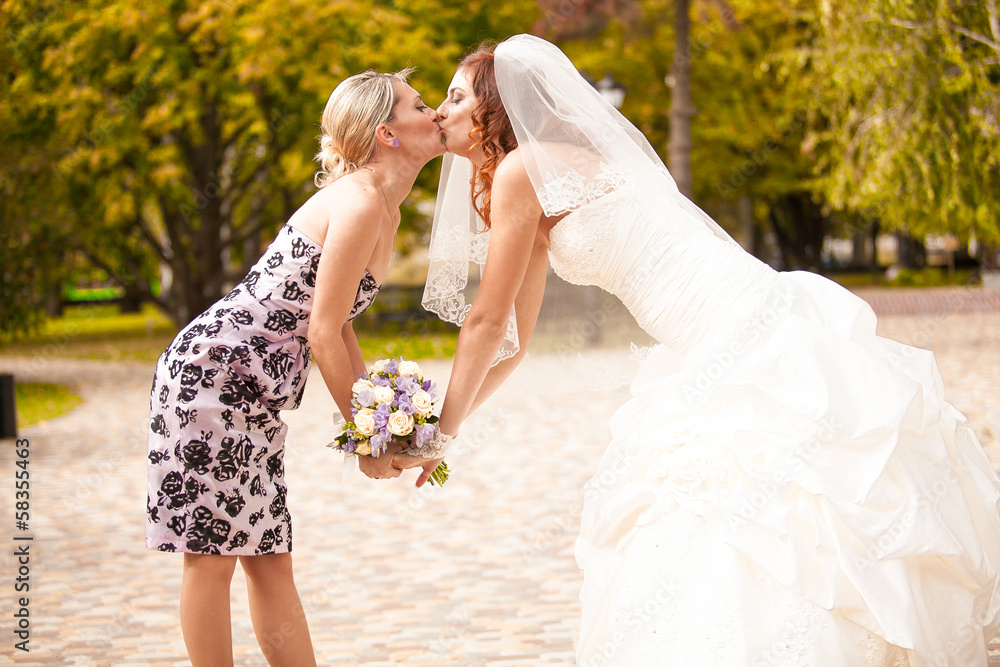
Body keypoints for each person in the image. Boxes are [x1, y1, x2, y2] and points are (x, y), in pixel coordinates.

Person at [402, 35, 1000, 664]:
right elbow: (510, 343)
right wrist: (449, 427)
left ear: (495, 107)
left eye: (456, 95)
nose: (442, 111)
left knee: (739, 510)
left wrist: (438, 433)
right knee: (762, 508)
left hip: (739, 337)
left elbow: (485, 323)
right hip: (741, 325)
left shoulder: (523, 173)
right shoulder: (547, 168)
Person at [145, 68, 444, 666]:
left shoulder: (382, 205)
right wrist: (368, 436)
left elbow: (339, 323)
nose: (435, 112)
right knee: (211, 557)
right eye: (420, 104)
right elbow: (323, 333)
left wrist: (390, 426)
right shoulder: (359, 201)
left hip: (253, 396)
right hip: (210, 381)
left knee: (268, 555)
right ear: (387, 133)